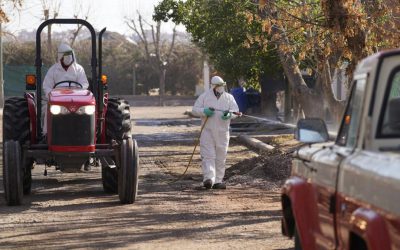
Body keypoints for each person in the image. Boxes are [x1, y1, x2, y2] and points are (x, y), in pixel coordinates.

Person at [192, 76, 241, 189]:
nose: (220, 88)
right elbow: (194, 110)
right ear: (213, 86)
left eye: (222, 85)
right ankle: (209, 179)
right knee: (208, 156)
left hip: (223, 132)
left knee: (221, 156)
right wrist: (204, 111)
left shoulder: (229, 97)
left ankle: (218, 181)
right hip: (207, 131)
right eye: (218, 86)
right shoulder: (204, 97)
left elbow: (236, 111)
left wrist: (229, 115)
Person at [42, 43, 89, 137]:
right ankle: (47, 134)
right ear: (60, 57)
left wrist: (76, 92)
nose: (68, 58)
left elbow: (84, 84)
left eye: (69, 55)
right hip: (58, 99)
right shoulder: (53, 70)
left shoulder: (79, 69)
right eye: (65, 56)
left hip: (76, 98)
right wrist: (51, 96)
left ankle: (85, 134)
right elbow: (47, 86)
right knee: (48, 109)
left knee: (87, 111)